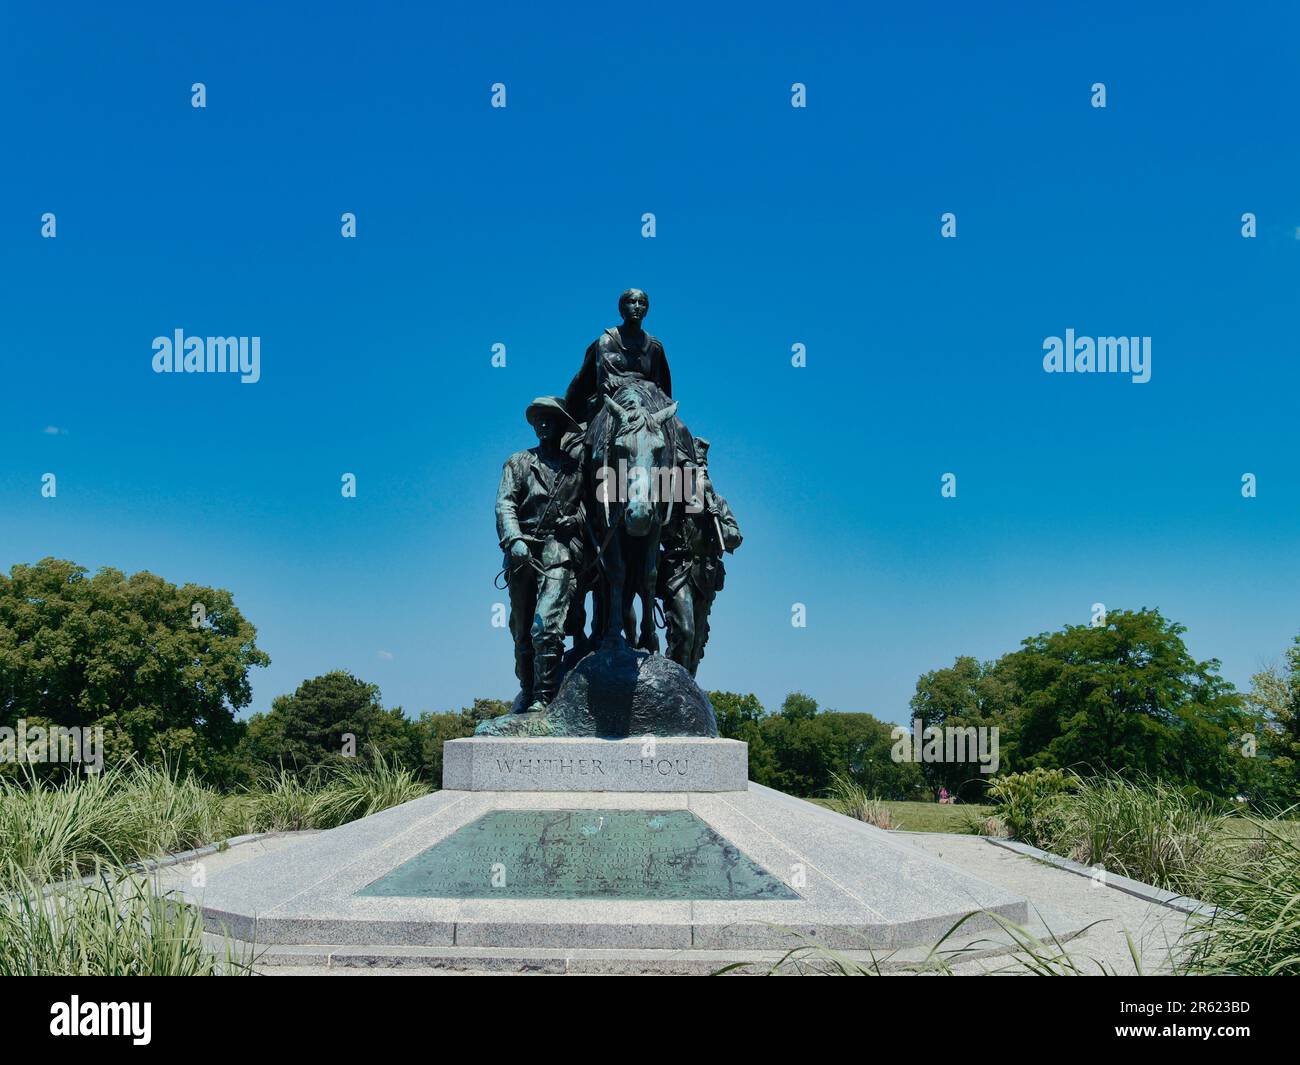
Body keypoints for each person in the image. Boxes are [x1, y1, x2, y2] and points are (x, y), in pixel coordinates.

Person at [496, 397, 584, 711]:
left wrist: (574, 520)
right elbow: (505, 504)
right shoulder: (517, 462)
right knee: (521, 630)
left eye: (549, 419)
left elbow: (591, 512)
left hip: (557, 549)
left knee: (545, 623)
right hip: (521, 553)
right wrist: (514, 539)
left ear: (561, 425)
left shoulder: (576, 469)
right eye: (539, 420)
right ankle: (527, 688)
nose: (543, 424)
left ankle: (543, 698)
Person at [659, 438, 742, 675]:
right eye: (695, 468)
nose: (699, 473)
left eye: (703, 468)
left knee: (696, 643)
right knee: (684, 632)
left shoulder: (718, 503)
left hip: (706, 577)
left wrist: (716, 523)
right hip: (680, 572)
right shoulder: (676, 500)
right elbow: (662, 530)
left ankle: (686, 689)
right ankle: (675, 682)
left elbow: (736, 537)